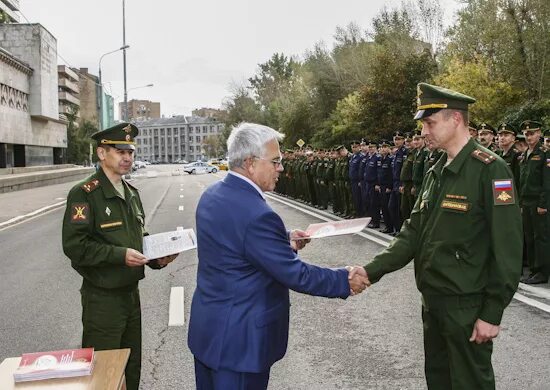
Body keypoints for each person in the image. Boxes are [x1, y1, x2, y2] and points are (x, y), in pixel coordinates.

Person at [350, 83, 522, 389]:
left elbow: (508, 248)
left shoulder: (491, 170)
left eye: (430, 123)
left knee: (471, 383)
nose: (424, 131)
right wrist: (370, 271)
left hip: (466, 307)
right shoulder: (436, 170)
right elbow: (412, 233)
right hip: (433, 303)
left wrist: (492, 313)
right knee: (439, 382)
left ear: (456, 119)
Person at [187, 123, 369, 390]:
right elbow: (296, 275)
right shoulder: (258, 214)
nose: (281, 168)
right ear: (250, 163)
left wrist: (283, 238)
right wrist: (344, 280)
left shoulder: (212, 195)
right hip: (240, 345)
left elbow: (235, 242)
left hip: (210, 334)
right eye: (275, 161)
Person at [62, 123, 177, 390]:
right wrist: (119, 255)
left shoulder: (131, 193)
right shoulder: (84, 193)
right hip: (102, 299)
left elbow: (138, 238)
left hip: (130, 295)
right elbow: (75, 246)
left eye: (131, 152)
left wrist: (158, 256)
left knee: (130, 366)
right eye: (120, 151)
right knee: (104, 373)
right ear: (102, 154)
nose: (127, 157)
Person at [518, 120, 549, 284]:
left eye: (532, 133)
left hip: (538, 201)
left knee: (540, 237)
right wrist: (521, 203)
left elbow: (547, 181)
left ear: (539, 133)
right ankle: (533, 269)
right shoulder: (524, 154)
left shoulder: (544, 153)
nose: (528, 136)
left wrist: (543, 204)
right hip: (527, 201)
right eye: (526, 133)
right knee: (529, 236)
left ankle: (542, 271)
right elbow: (522, 181)